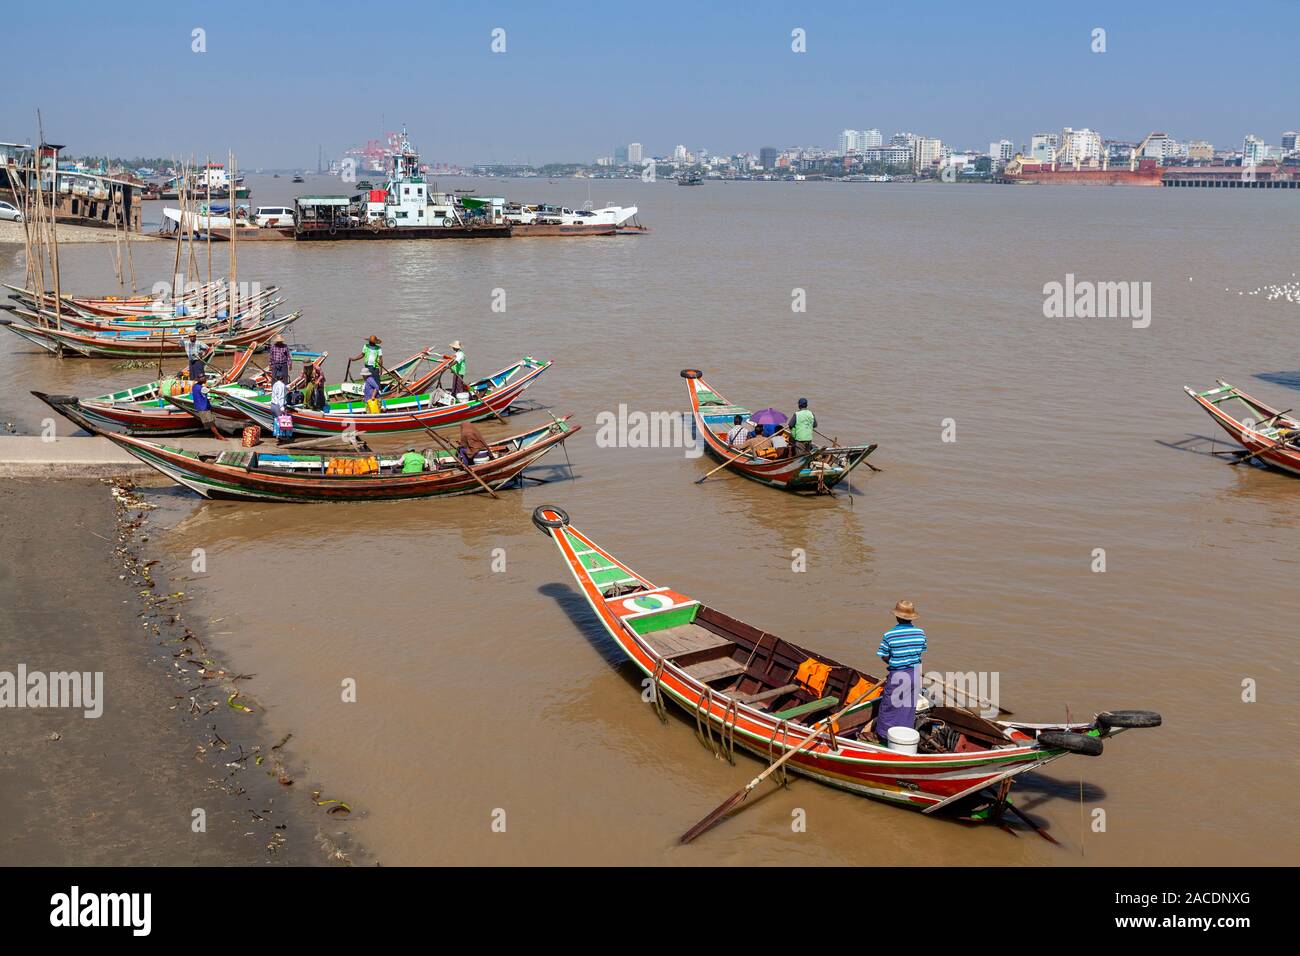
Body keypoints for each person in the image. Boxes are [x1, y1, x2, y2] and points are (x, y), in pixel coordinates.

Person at [874, 600, 927, 746]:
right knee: (908, 706)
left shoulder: (889, 635)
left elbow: (884, 655)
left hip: (898, 674)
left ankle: (883, 736)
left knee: (889, 705)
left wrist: (894, 663)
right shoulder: (920, 633)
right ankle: (904, 732)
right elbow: (920, 652)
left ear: (897, 617)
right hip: (915, 673)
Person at [190, 375, 223, 440]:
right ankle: (219, 436)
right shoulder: (202, 388)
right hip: (203, 408)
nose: (206, 380)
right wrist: (223, 393)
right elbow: (212, 391)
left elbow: (208, 388)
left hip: (199, 407)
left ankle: (216, 435)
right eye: (205, 379)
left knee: (211, 422)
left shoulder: (195, 386)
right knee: (211, 423)